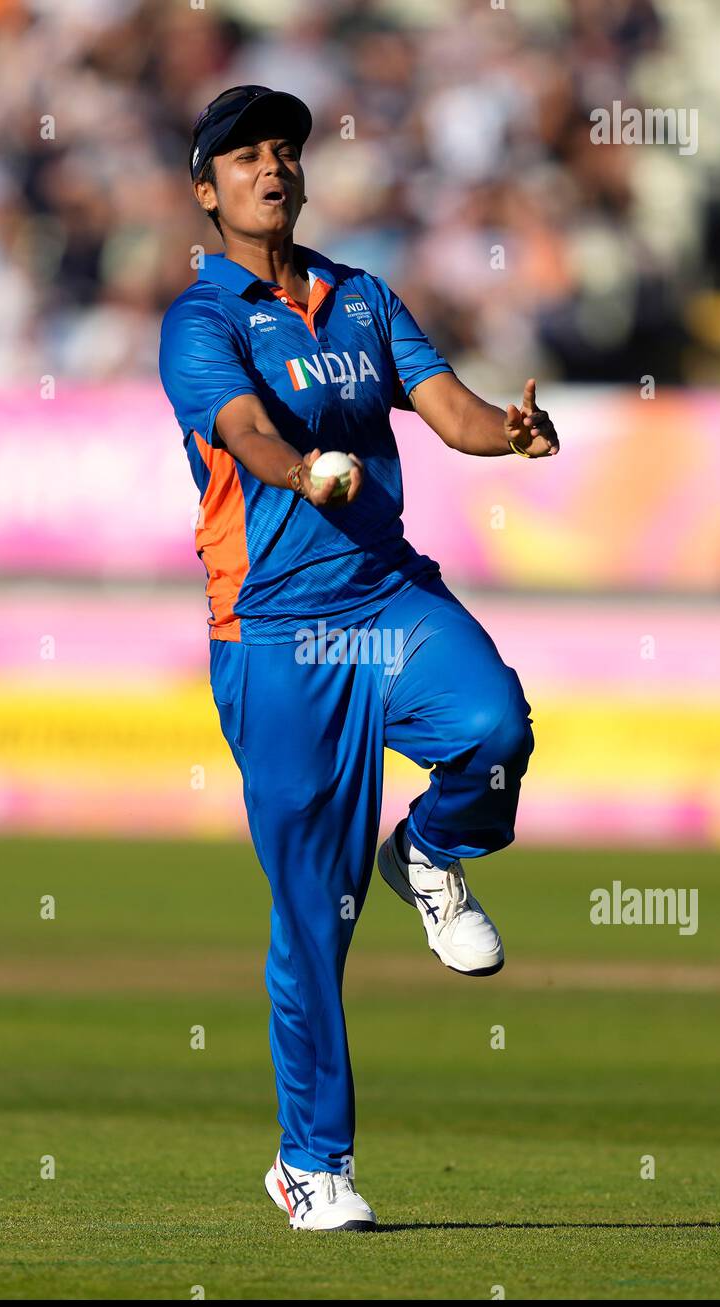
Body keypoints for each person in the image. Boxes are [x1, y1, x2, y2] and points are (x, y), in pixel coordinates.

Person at [159, 85, 560, 1233]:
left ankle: (429, 852)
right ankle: (310, 1163)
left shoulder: (361, 296)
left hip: (383, 599)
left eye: (282, 149)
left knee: (493, 729)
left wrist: (509, 431)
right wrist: (302, 471)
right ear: (207, 188)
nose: (270, 167)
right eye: (242, 156)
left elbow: (450, 409)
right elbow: (240, 429)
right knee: (310, 918)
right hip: (274, 635)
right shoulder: (202, 318)